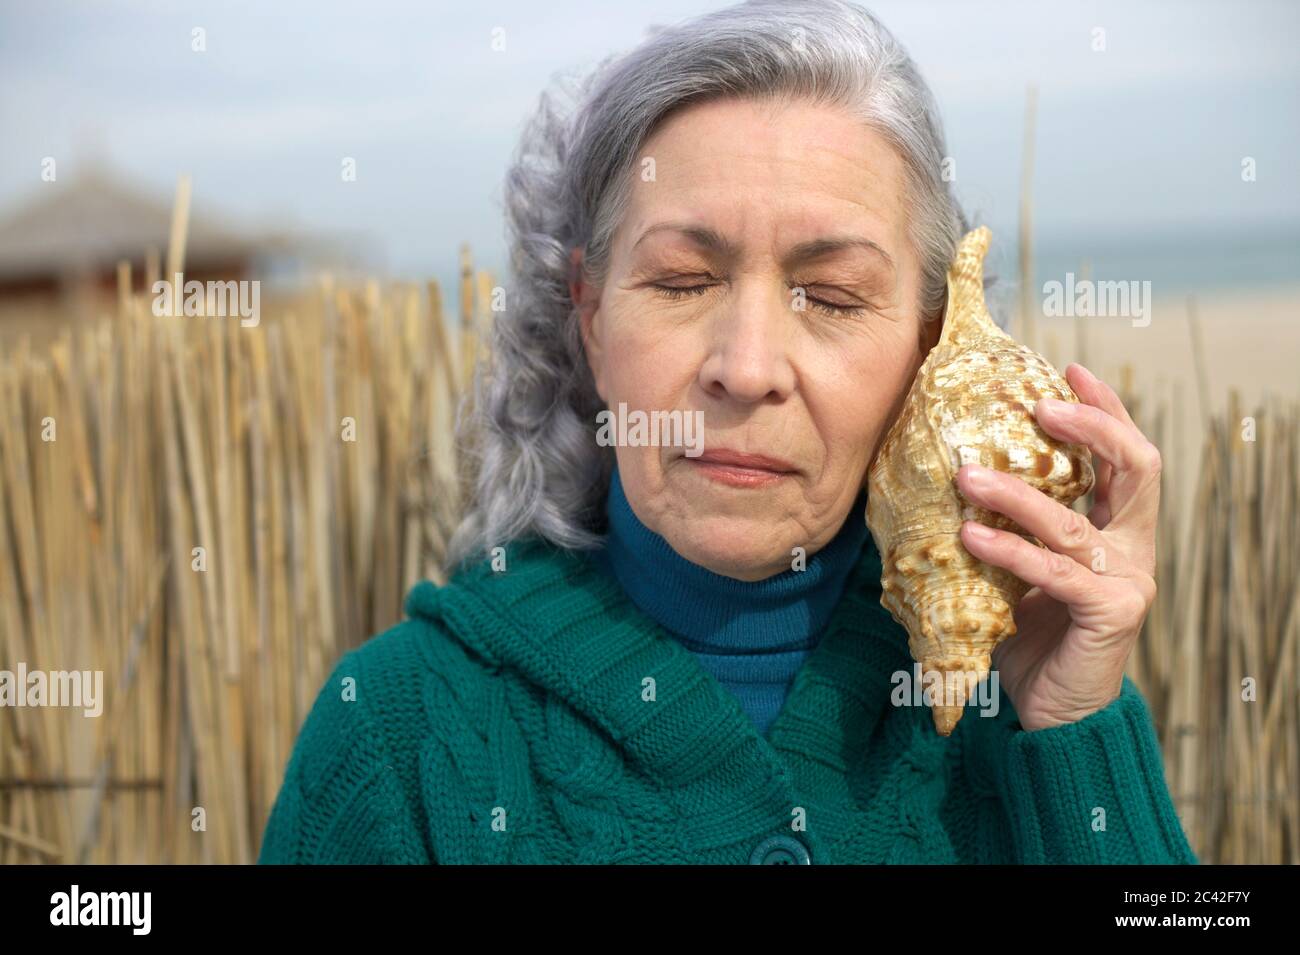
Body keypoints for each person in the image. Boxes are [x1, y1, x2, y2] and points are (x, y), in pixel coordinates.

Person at [258, 0, 1196, 865]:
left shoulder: (1024, 718)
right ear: (591, 319)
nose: (746, 369)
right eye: (681, 282)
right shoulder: (396, 740)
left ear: (929, 347)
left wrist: (1075, 734)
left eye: (831, 296)